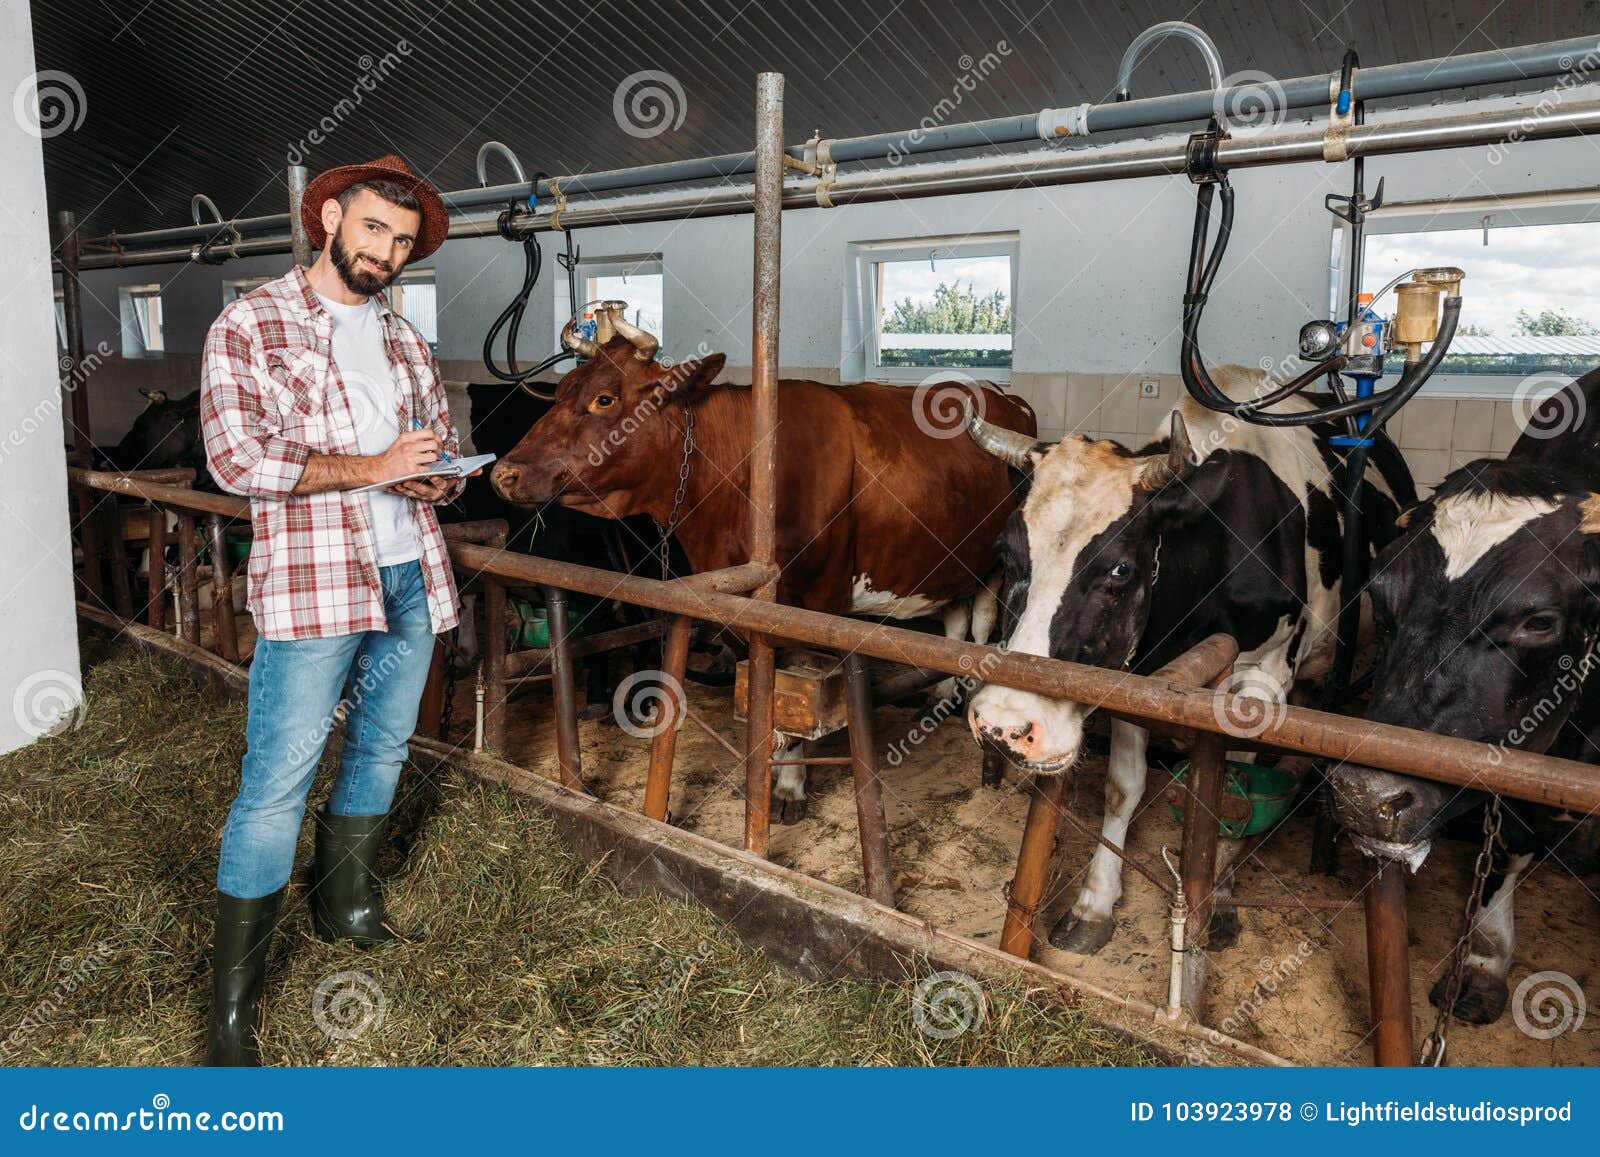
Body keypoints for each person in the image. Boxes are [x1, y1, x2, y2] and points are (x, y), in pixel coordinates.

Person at [198, 154, 476, 1065]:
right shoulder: (251, 325)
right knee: (277, 781)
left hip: (408, 572)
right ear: (329, 219)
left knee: (385, 745)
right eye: (372, 230)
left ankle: (347, 906)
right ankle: (231, 1009)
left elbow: (425, 446)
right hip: (317, 582)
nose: (386, 252)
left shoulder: (405, 341)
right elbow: (239, 465)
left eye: (401, 241)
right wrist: (378, 466)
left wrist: (435, 478)